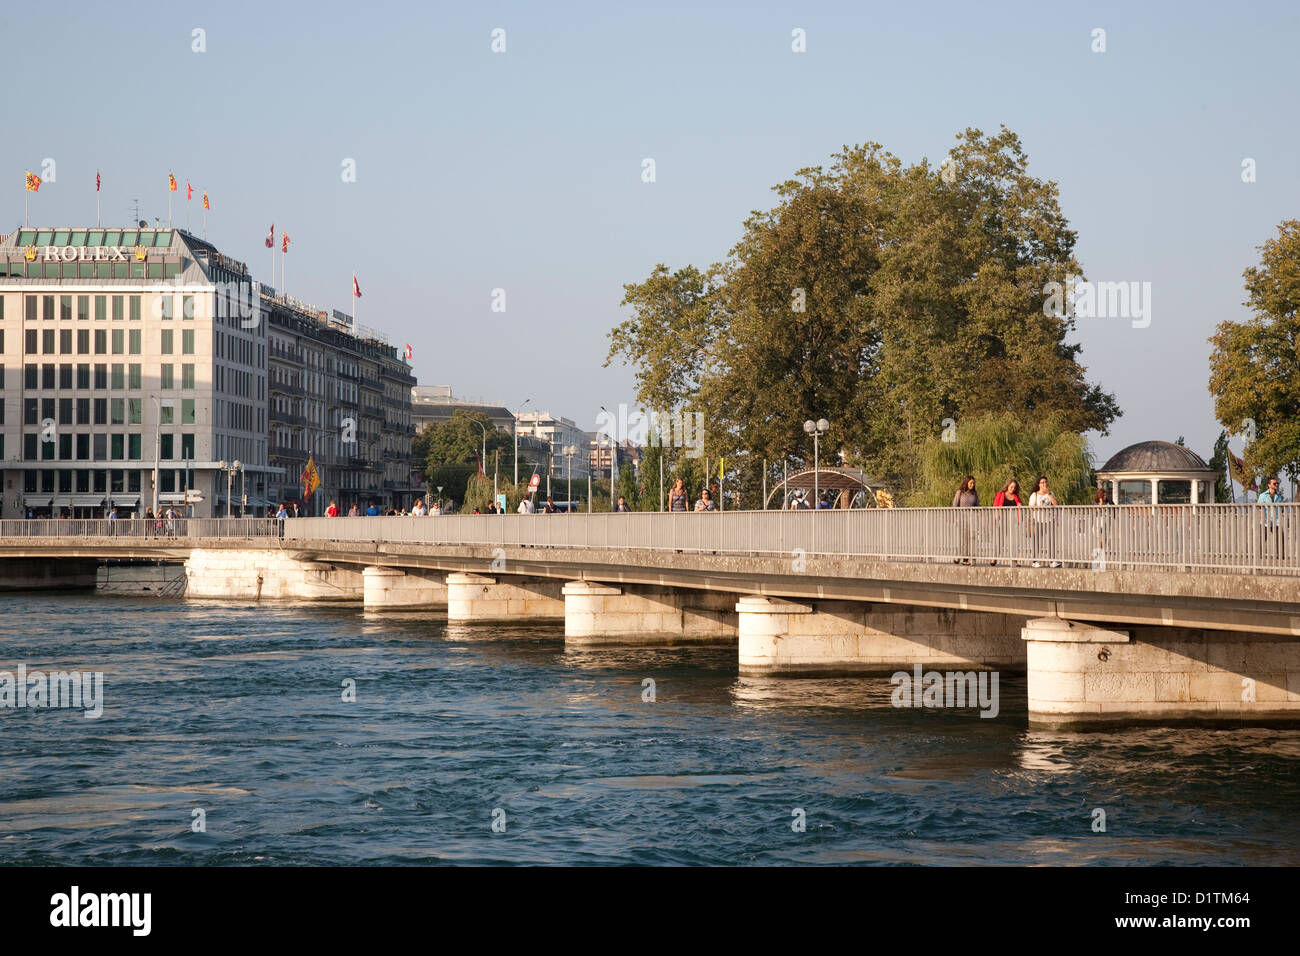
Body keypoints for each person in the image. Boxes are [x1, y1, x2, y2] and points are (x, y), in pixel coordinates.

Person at [1028, 476, 1060, 567]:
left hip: (1049, 520)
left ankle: (1052, 561)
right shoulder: (1035, 495)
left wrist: (1049, 493)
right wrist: (1037, 507)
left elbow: (1056, 504)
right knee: (1037, 540)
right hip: (1038, 520)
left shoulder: (1050, 493)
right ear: (1038, 484)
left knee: (1051, 540)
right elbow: (1030, 508)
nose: (1044, 484)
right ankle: (1035, 561)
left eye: (1045, 482)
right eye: (1042, 482)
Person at [952, 475, 979, 565]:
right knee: (961, 538)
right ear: (966, 483)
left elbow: (977, 506)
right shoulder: (960, 492)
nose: (972, 485)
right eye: (971, 483)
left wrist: (978, 516)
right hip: (961, 518)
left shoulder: (974, 494)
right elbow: (955, 505)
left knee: (970, 538)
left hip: (971, 519)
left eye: (973, 483)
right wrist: (955, 518)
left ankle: (966, 559)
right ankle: (957, 556)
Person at [1258, 476, 1287, 560]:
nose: (1276, 485)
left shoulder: (1279, 497)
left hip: (1276, 521)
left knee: (1280, 538)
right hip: (1265, 522)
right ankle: (1259, 557)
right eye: (1274, 483)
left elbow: (1281, 509)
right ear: (1269, 485)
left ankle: (1281, 557)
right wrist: (1263, 519)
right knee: (1262, 540)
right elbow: (1259, 509)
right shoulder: (1262, 496)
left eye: (1277, 483)